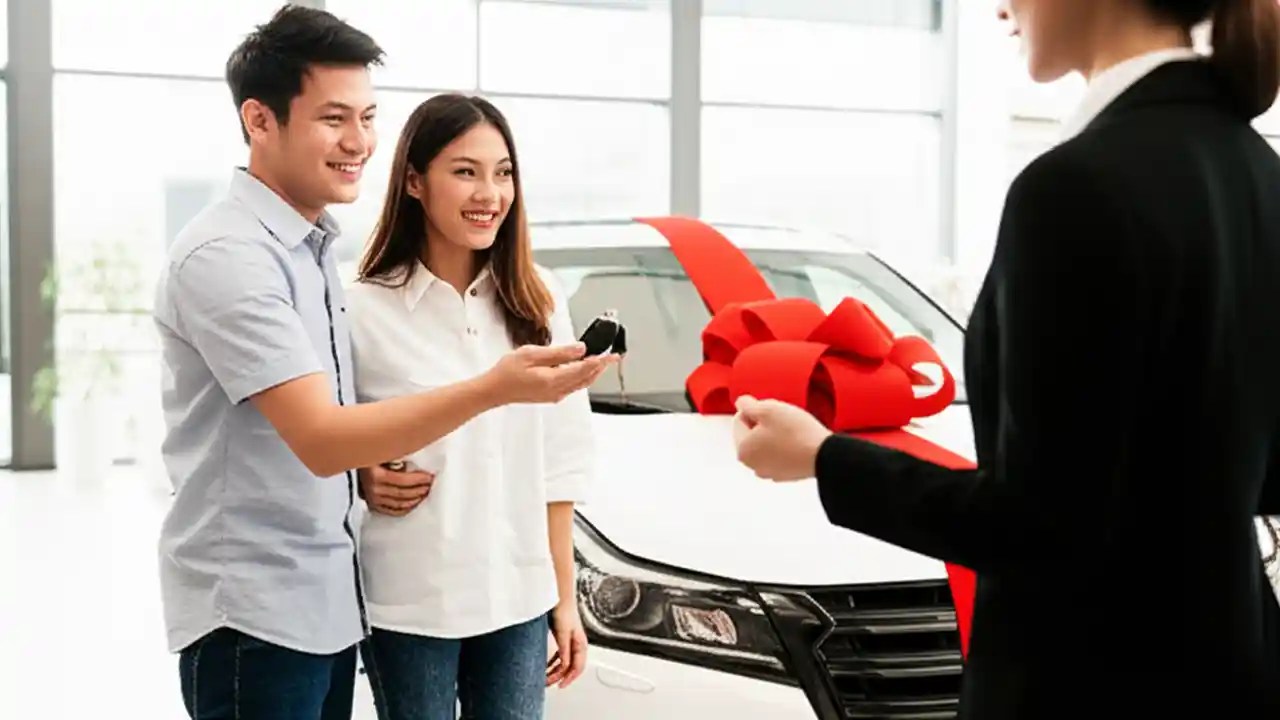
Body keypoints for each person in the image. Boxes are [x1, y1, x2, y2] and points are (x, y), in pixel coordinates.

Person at [731, 0, 1280, 718]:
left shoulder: (1075, 188)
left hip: (1089, 680)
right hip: (1233, 668)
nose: (999, 8)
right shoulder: (1258, 171)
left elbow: (1039, 525)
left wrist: (823, 457)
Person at [151, 7, 613, 720]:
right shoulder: (238, 260)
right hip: (268, 609)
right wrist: (489, 391)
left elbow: (336, 431)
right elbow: (322, 434)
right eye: (335, 118)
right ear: (259, 120)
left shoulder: (305, 259)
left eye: (367, 118)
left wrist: (365, 469)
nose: (357, 140)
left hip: (330, 604)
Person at [345, 93, 595, 720]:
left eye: (502, 172)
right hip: (408, 601)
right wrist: (359, 474)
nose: (490, 192)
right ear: (412, 181)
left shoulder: (539, 300)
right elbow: (322, 437)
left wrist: (565, 599)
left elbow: (559, 460)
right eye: (465, 171)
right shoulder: (359, 306)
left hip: (517, 596)